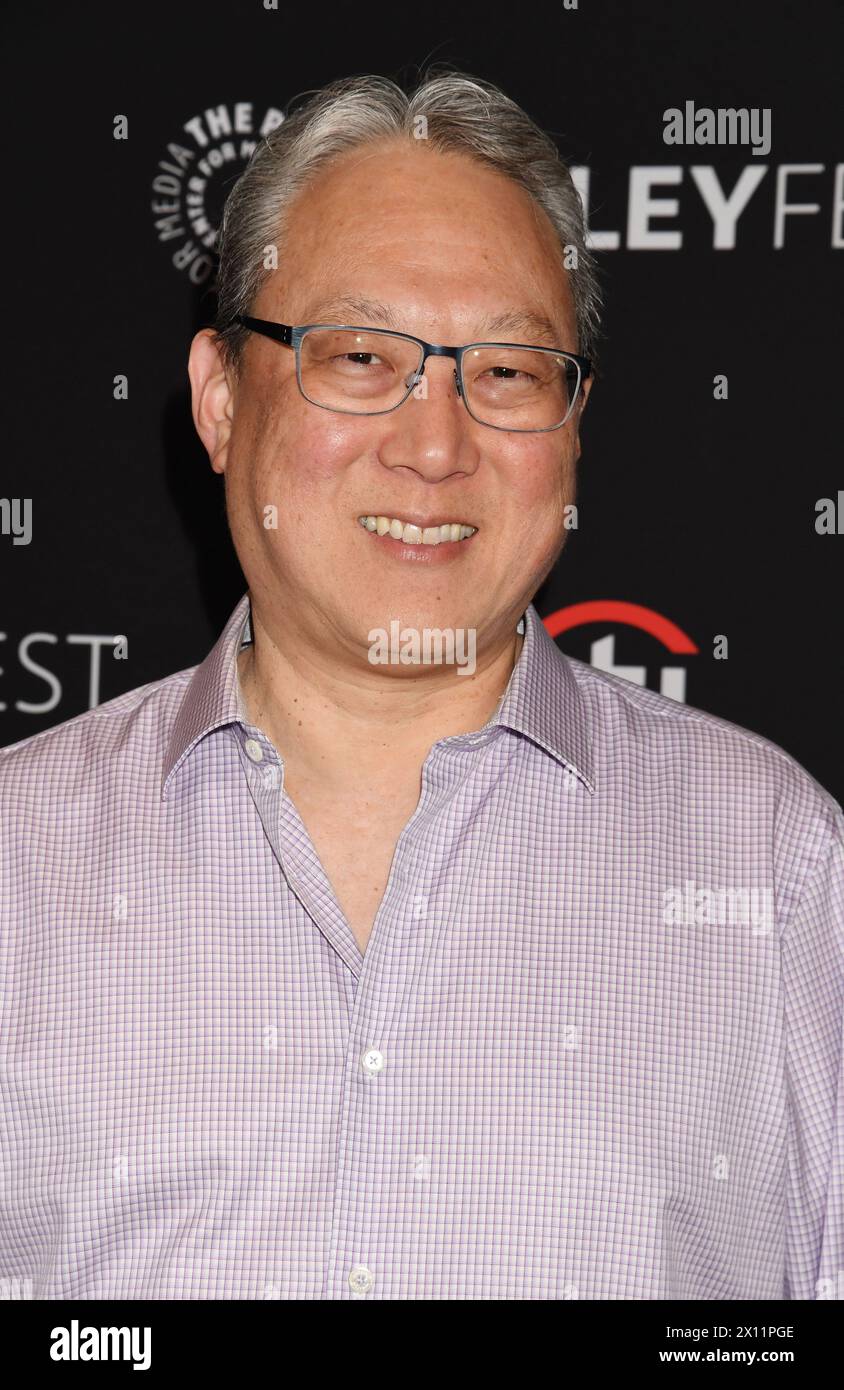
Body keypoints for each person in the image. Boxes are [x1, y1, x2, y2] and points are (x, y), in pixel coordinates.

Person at [1, 69, 841, 1301]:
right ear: (222, 400)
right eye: (358, 355)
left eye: (504, 372)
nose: (434, 443)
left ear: (572, 423)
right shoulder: (16, 865)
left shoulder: (773, 865)